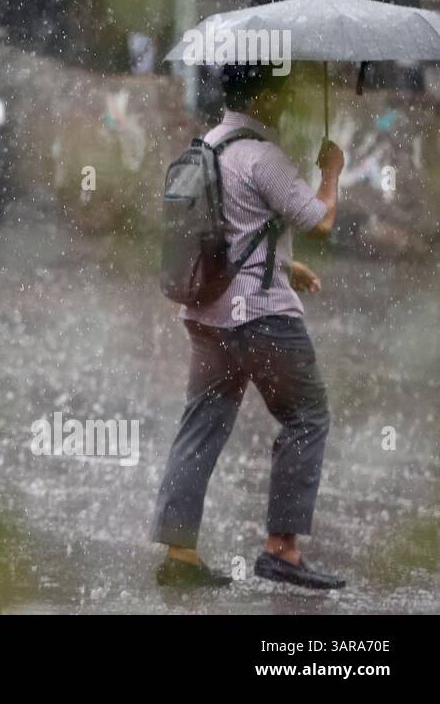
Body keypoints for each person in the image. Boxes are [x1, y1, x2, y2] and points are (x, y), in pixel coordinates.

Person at [152, 62, 346, 590]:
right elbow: (320, 220)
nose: (285, 105)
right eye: (279, 95)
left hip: (208, 314)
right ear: (261, 99)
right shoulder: (264, 155)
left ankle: (179, 553)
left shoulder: (207, 145)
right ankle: (281, 548)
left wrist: (286, 264)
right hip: (262, 318)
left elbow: (231, 231)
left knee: (202, 426)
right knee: (307, 417)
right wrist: (332, 171)